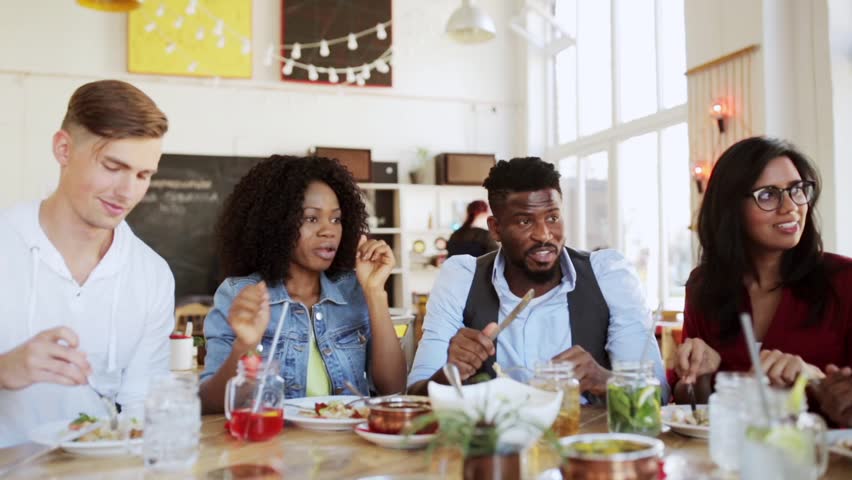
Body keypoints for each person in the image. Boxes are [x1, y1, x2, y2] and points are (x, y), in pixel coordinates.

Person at [407, 157, 668, 402]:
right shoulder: (462, 278)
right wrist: (449, 374)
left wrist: (605, 380)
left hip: (587, 444)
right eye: (524, 222)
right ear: (496, 228)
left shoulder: (608, 275)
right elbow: (415, 395)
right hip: (492, 443)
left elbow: (658, 397)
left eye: (553, 218)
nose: (544, 235)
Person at [0, 80, 173, 447]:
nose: (127, 192)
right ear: (63, 149)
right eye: (113, 166)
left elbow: (142, 407)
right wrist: (4, 370)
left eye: (143, 175)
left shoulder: (152, 275)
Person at [199, 156, 406, 413]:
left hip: (351, 449)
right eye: (311, 218)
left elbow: (394, 389)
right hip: (272, 447)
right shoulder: (240, 294)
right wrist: (245, 346)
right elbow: (211, 404)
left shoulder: (355, 291)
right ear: (276, 223)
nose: (328, 231)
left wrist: (375, 292)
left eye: (336, 219)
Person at [673, 137, 852, 404]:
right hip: (728, 445)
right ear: (730, 208)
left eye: (797, 189)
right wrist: (699, 376)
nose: (791, 207)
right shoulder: (704, 285)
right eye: (768, 195)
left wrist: (815, 380)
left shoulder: (844, 280)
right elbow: (689, 405)